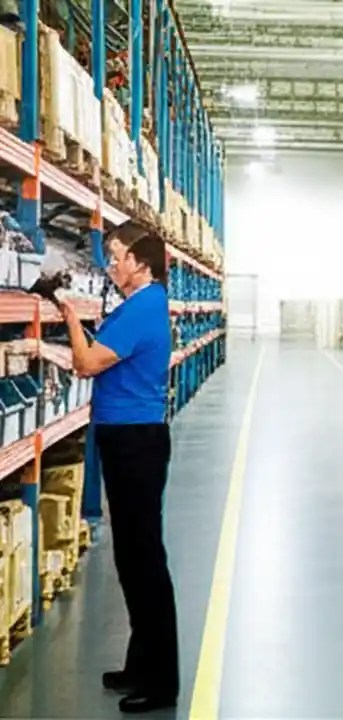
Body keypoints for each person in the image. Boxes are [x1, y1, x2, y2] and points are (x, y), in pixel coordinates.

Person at [59, 224, 177, 713]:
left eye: (116, 257)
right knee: (131, 559)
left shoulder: (144, 306)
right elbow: (102, 357)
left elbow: (88, 363)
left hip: (135, 442)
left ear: (140, 264)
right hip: (126, 437)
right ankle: (141, 664)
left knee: (144, 560)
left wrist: (70, 317)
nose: (111, 265)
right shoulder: (136, 306)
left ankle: (161, 682)